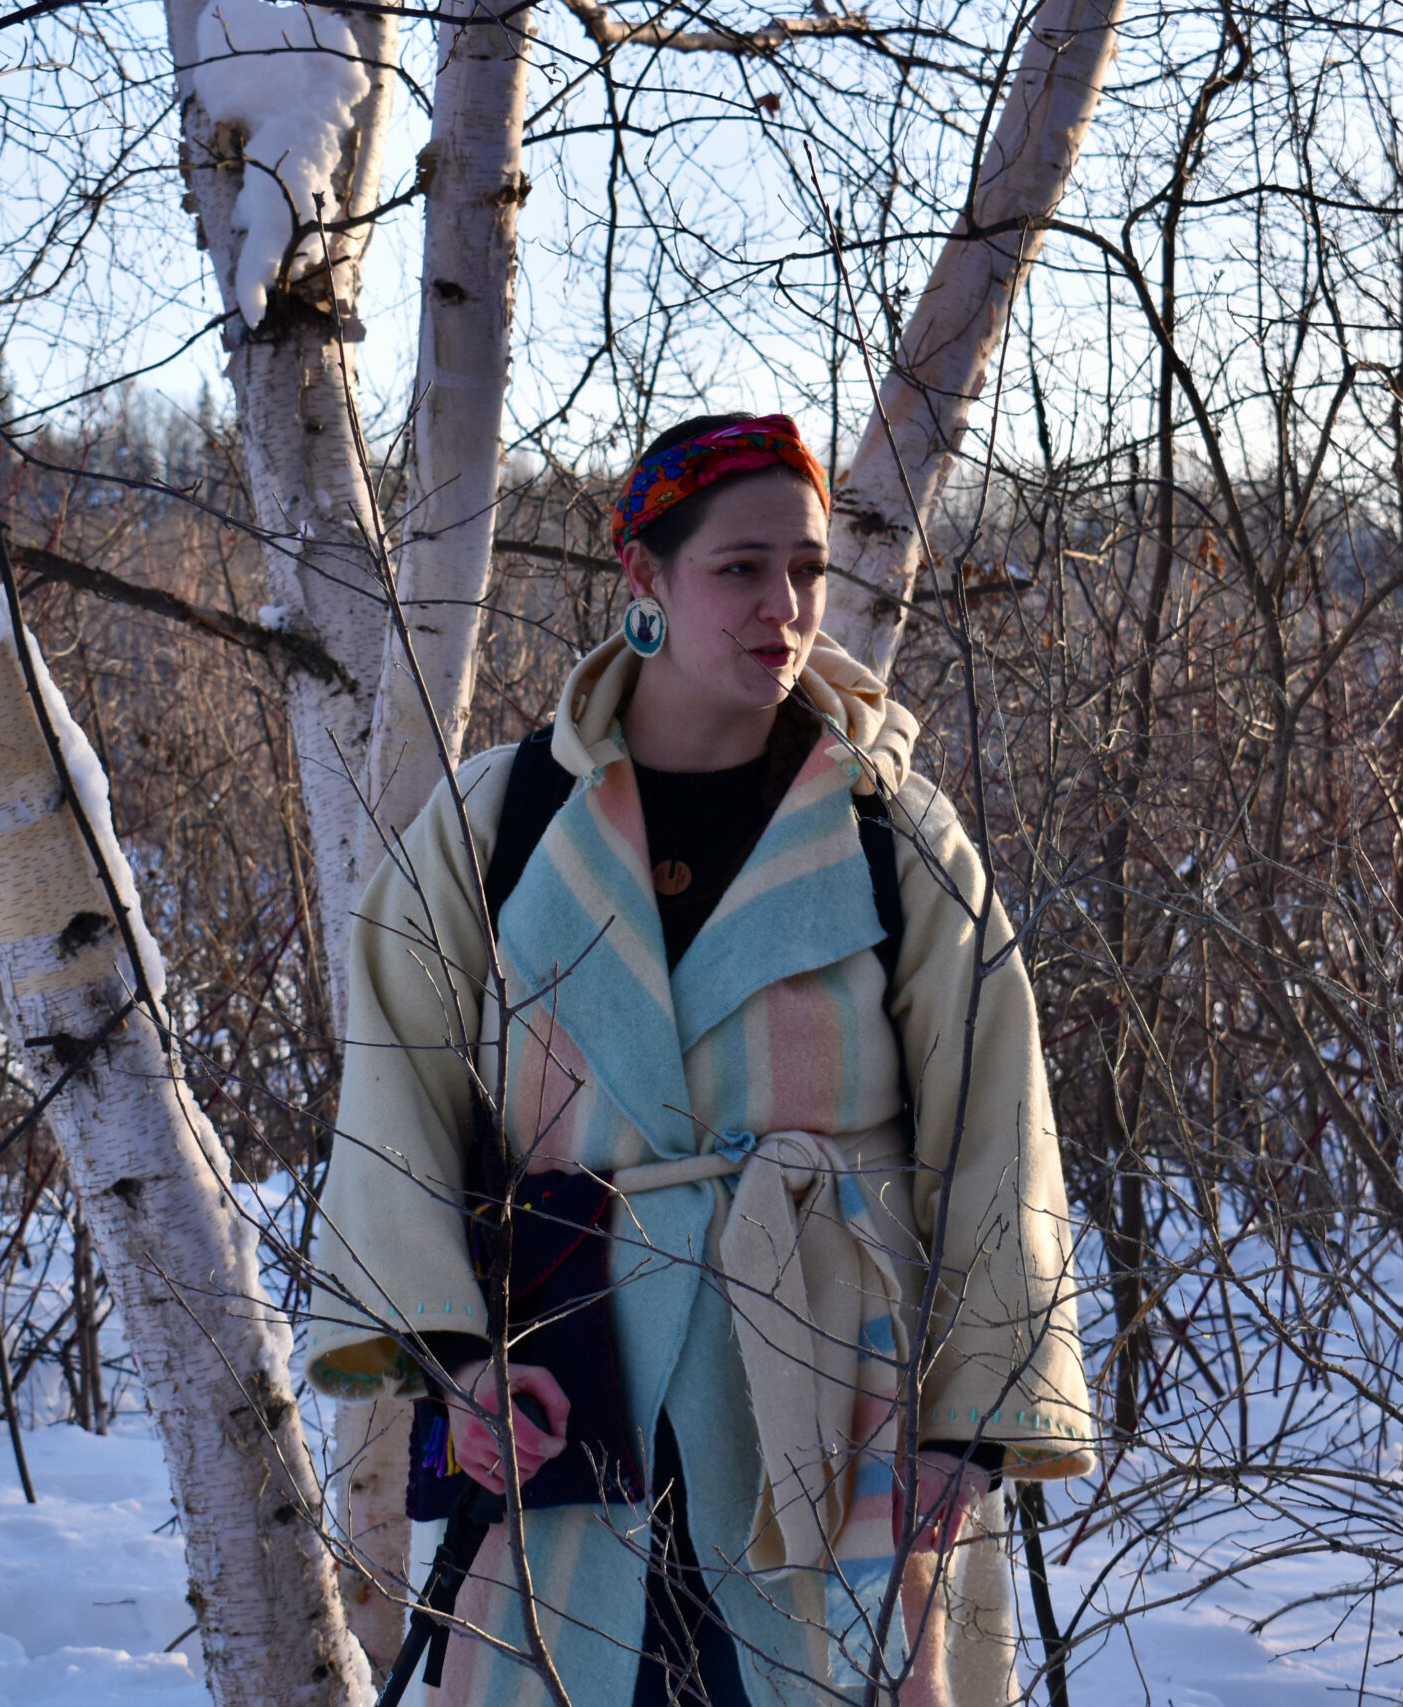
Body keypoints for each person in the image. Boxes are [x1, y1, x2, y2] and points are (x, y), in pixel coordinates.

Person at [307, 413, 1094, 1706]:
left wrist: (974, 1419)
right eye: (739, 567)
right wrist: (459, 1362)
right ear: (643, 577)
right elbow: (396, 1104)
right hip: (571, 1380)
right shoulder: (499, 825)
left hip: (840, 1379)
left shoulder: (892, 830)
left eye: (807, 567)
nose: (781, 605)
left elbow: (999, 1129)